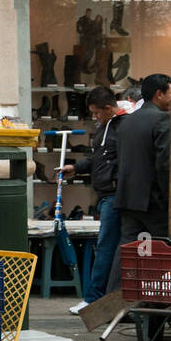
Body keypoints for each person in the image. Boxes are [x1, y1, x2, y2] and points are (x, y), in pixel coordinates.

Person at [55, 87, 124, 313]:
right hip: (107, 195)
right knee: (107, 248)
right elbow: (97, 159)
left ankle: (94, 298)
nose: (94, 117)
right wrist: (76, 167)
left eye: (96, 113)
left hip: (114, 196)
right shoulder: (105, 127)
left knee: (106, 248)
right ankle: (98, 298)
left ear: (108, 108)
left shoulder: (122, 127)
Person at [115, 73, 171, 244]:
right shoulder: (162, 119)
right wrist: (168, 198)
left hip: (127, 197)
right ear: (159, 94)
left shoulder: (127, 121)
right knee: (165, 249)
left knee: (129, 251)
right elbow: (164, 163)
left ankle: (119, 273)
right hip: (152, 200)